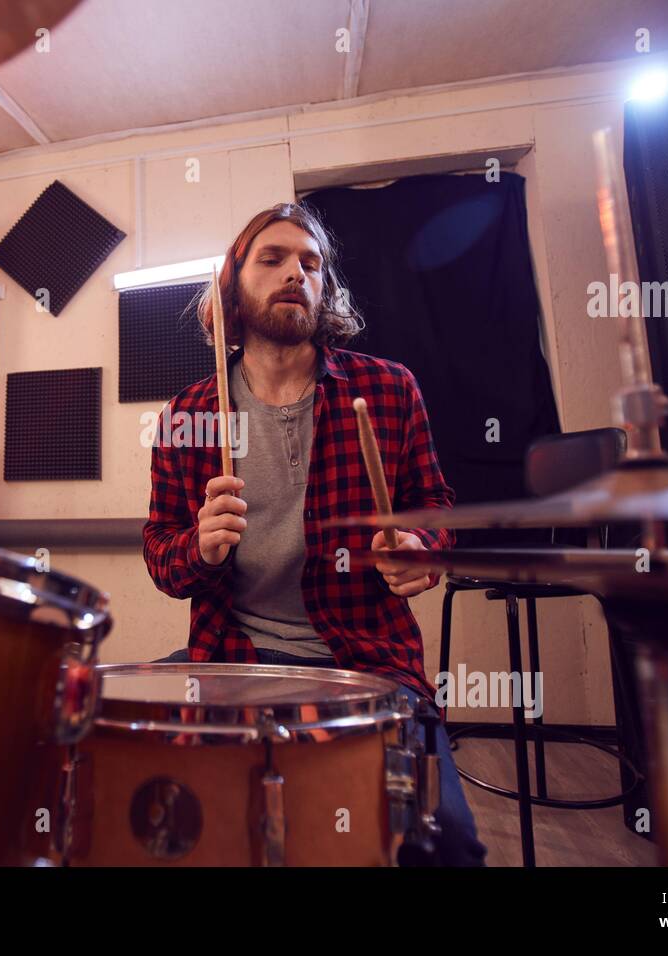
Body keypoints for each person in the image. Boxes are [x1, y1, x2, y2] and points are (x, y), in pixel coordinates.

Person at [142, 202, 487, 866]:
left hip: (367, 665)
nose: (294, 272)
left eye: (310, 262)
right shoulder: (189, 414)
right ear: (231, 288)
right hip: (232, 661)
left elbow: (435, 507)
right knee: (170, 824)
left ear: (326, 288)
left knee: (447, 845)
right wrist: (200, 546)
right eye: (271, 259)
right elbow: (161, 551)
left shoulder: (389, 389)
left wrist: (423, 550)